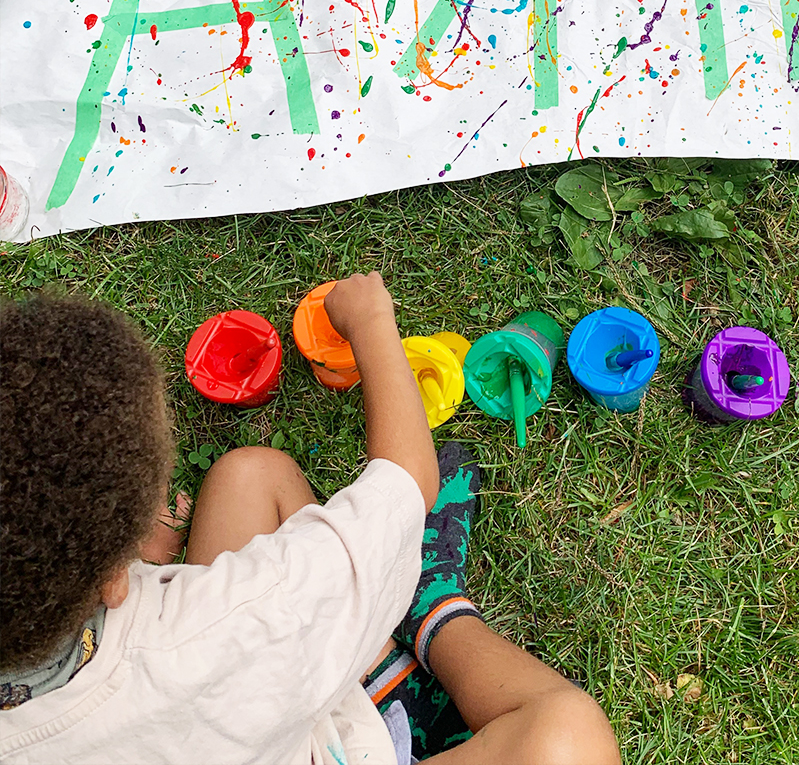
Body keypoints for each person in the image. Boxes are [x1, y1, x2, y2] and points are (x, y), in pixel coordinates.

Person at [0, 276, 619, 765]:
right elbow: (408, 479)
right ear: (113, 579)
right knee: (570, 737)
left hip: (211, 718)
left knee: (249, 476)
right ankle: (426, 606)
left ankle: (377, 631)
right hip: (286, 715)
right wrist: (372, 321)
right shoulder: (232, 622)